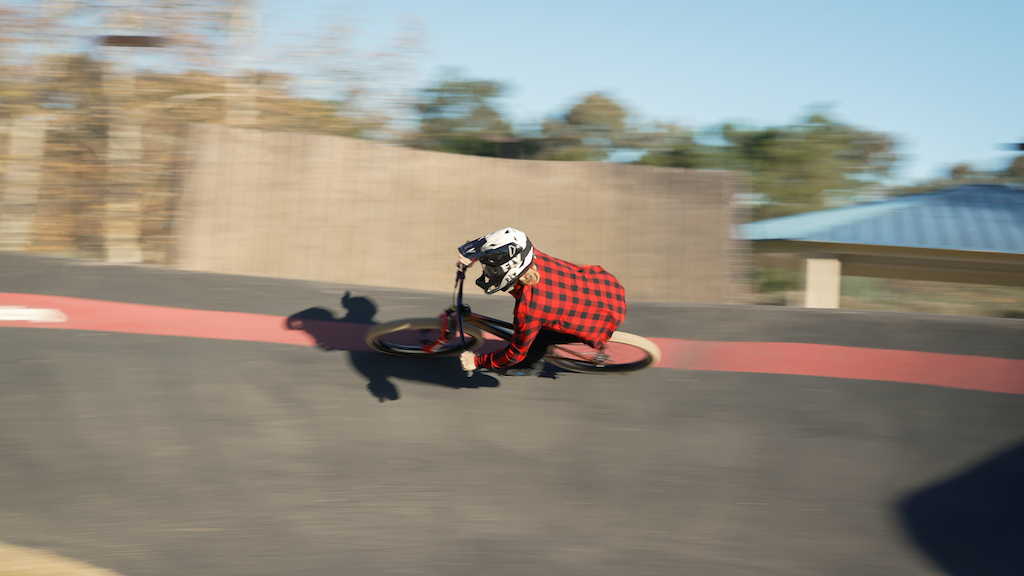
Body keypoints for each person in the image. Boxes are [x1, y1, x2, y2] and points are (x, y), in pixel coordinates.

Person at [456, 227, 626, 376]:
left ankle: (530, 366)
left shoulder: (528, 310)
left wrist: (476, 361)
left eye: (491, 269)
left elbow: (514, 354)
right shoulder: (529, 253)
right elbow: (501, 246)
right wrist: (472, 256)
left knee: (539, 340)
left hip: (596, 320)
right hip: (603, 288)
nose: (488, 271)